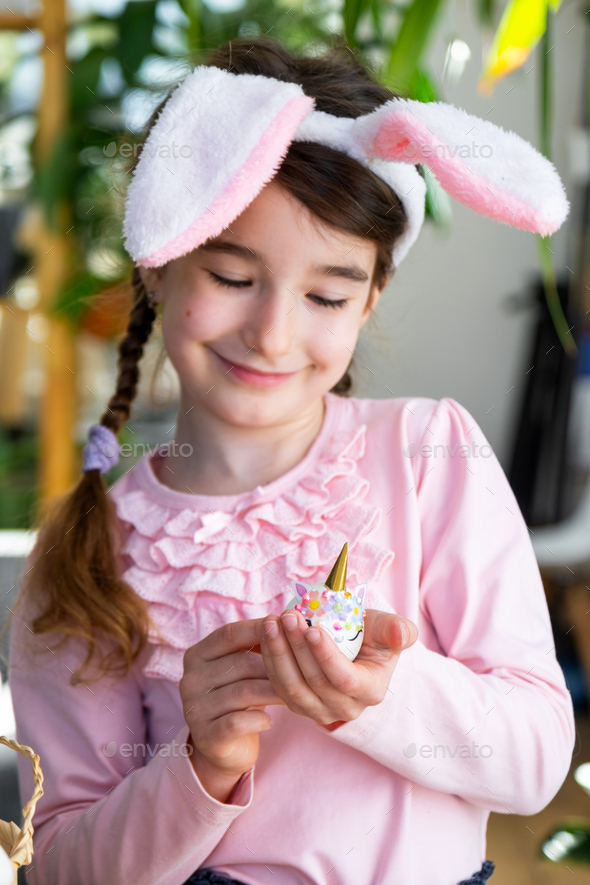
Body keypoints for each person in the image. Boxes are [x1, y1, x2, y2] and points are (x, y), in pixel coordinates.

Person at [8, 35, 575, 885]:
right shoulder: (86, 556)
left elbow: (533, 763)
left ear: (371, 296)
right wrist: (200, 764)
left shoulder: (429, 455)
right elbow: (62, 867)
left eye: (326, 294)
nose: (273, 333)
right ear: (159, 264)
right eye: (233, 276)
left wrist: (382, 694)